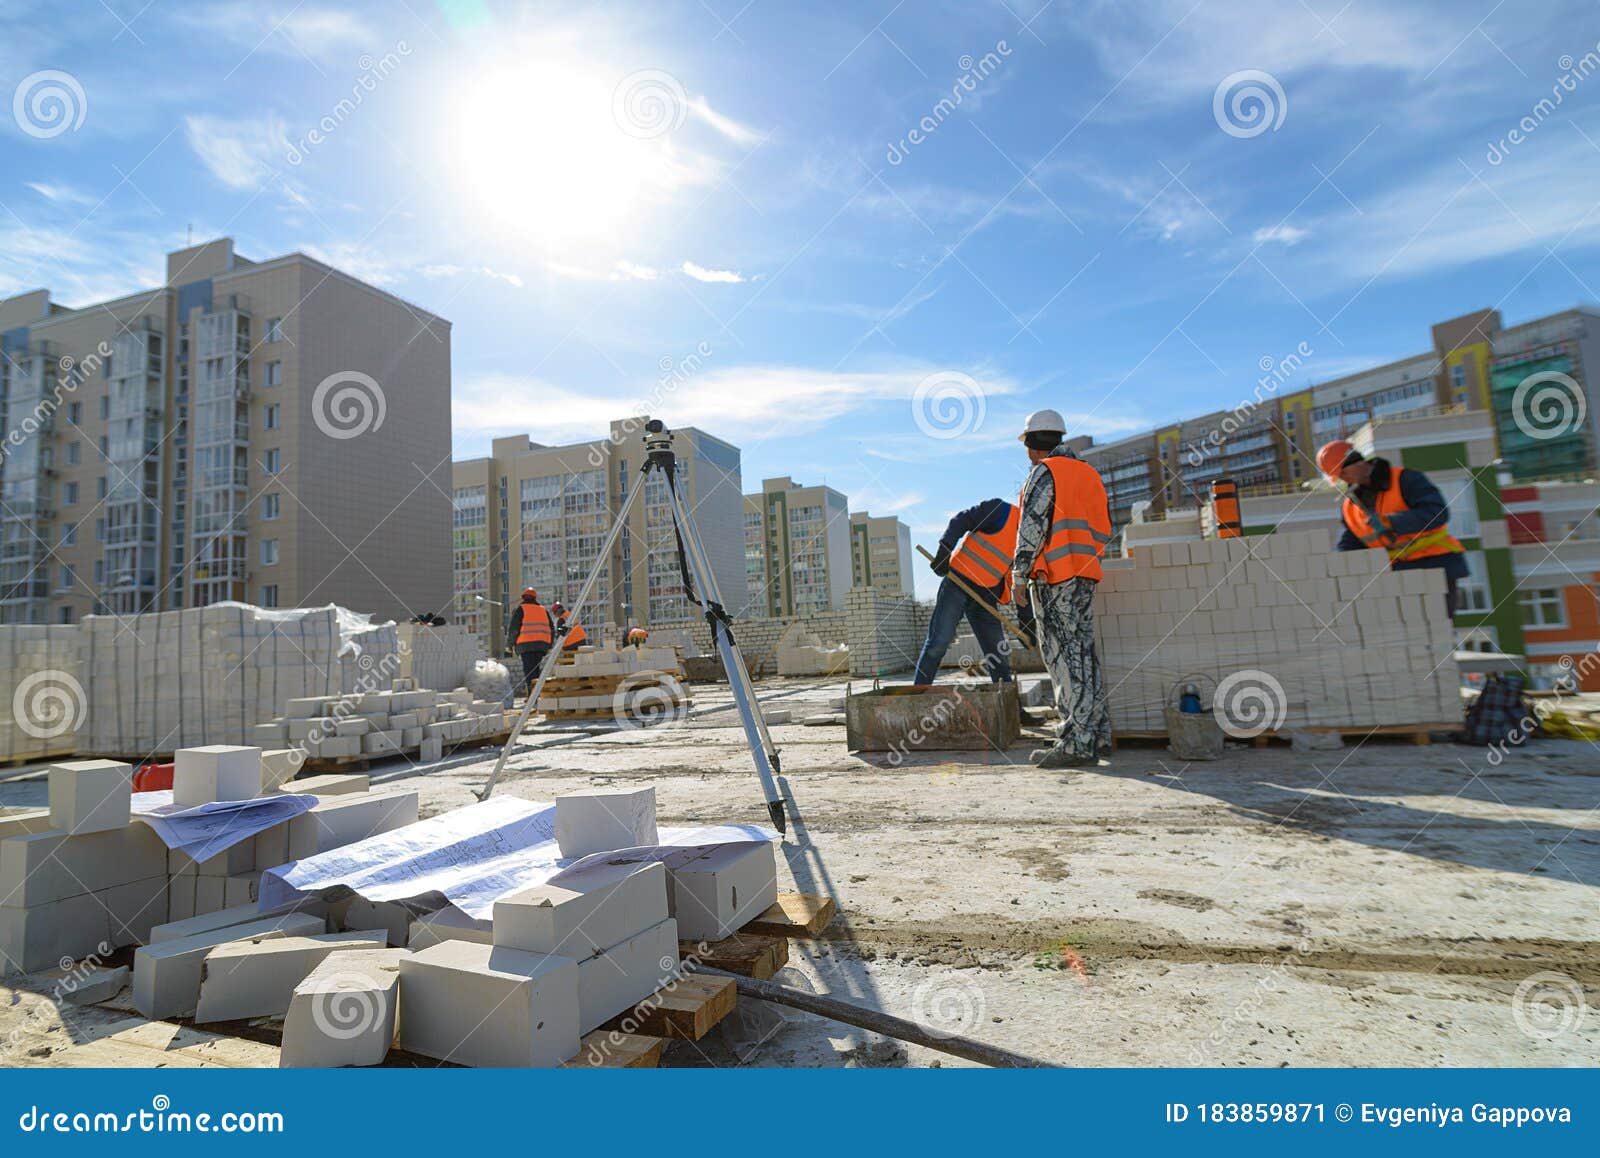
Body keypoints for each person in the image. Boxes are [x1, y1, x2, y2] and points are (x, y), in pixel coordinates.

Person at [1011, 409, 1113, 768]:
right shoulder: (1088, 474)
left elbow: (1032, 527)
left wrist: (1019, 575)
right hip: (1085, 573)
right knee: (1083, 654)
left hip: (1055, 576)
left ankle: (1075, 743)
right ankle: (1096, 733)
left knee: (1063, 660)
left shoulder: (1046, 472)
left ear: (1031, 445)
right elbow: (1104, 526)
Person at [1316, 440, 1469, 619]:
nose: (1342, 479)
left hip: (1436, 563)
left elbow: (1437, 513)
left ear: (1356, 463)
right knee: (1410, 634)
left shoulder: (1405, 479)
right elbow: (1349, 543)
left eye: (1342, 473)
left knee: (1436, 628)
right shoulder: (1350, 506)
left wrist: (1392, 522)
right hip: (1398, 573)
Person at [913, 497, 1021, 687]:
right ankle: (917, 698)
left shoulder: (1031, 538)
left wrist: (1026, 622)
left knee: (997, 653)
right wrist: (944, 551)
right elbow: (961, 520)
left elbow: (1020, 579)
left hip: (985, 596)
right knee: (938, 643)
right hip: (958, 583)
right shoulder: (1000, 511)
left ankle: (1010, 706)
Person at [505, 587, 554, 697]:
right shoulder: (543, 610)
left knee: (529, 671)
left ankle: (533, 696)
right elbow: (551, 628)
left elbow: (514, 629)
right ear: (535, 598)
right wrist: (549, 645)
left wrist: (509, 645)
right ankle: (538, 694)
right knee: (536, 670)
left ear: (523, 598)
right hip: (541, 646)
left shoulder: (521, 609)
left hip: (526, 645)